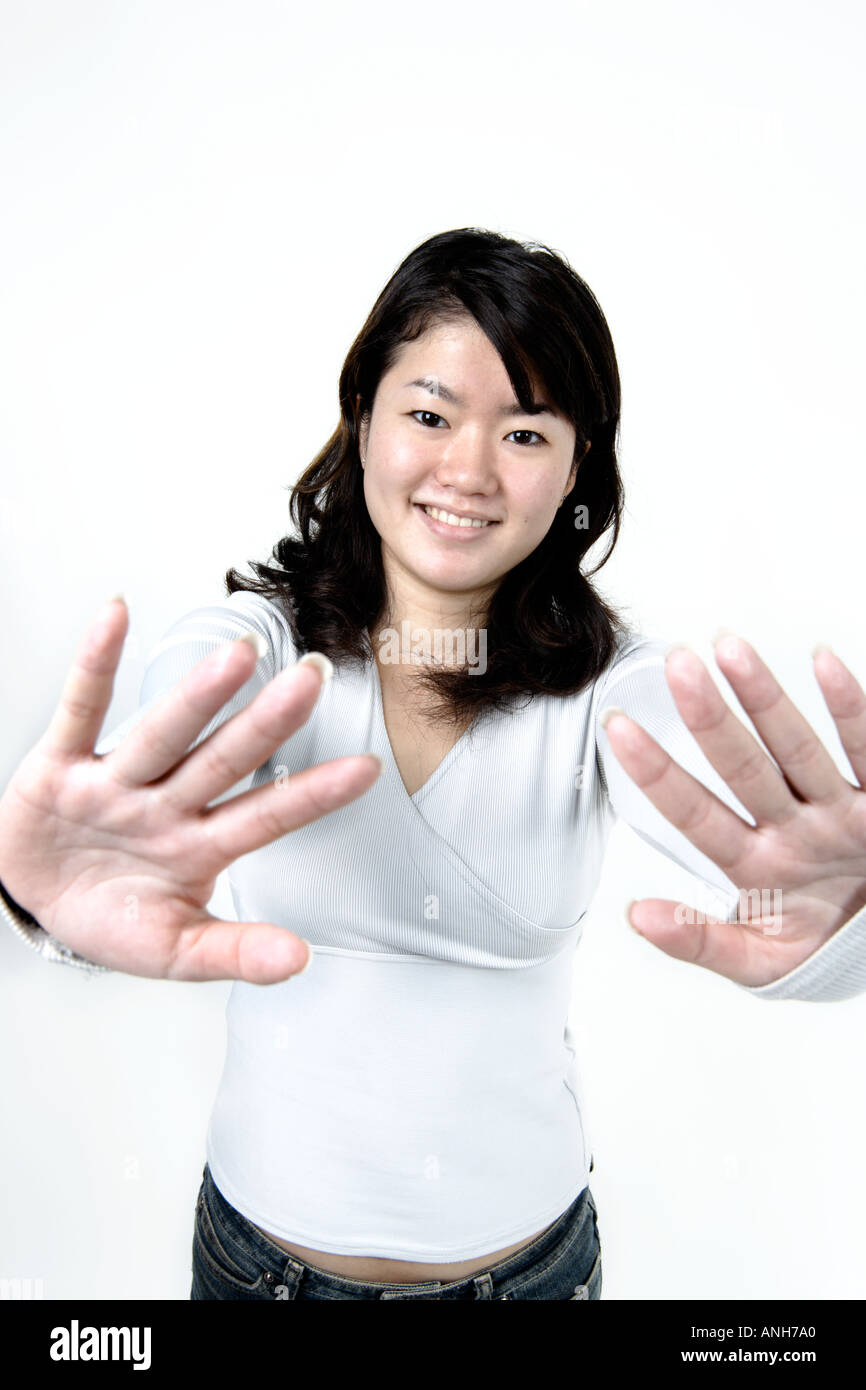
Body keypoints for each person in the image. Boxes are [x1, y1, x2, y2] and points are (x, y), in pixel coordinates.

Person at [2, 228, 865, 1302]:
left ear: (576, 466)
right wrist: (70, 871)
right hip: (255, 1271)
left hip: (531, 1278)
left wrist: (837, 913)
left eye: (524, 432)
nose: (466, 470)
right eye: (428, 415)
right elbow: (198, 681)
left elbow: (686, 761)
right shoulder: (262, 648)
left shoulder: (613, 688)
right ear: (360, 417)